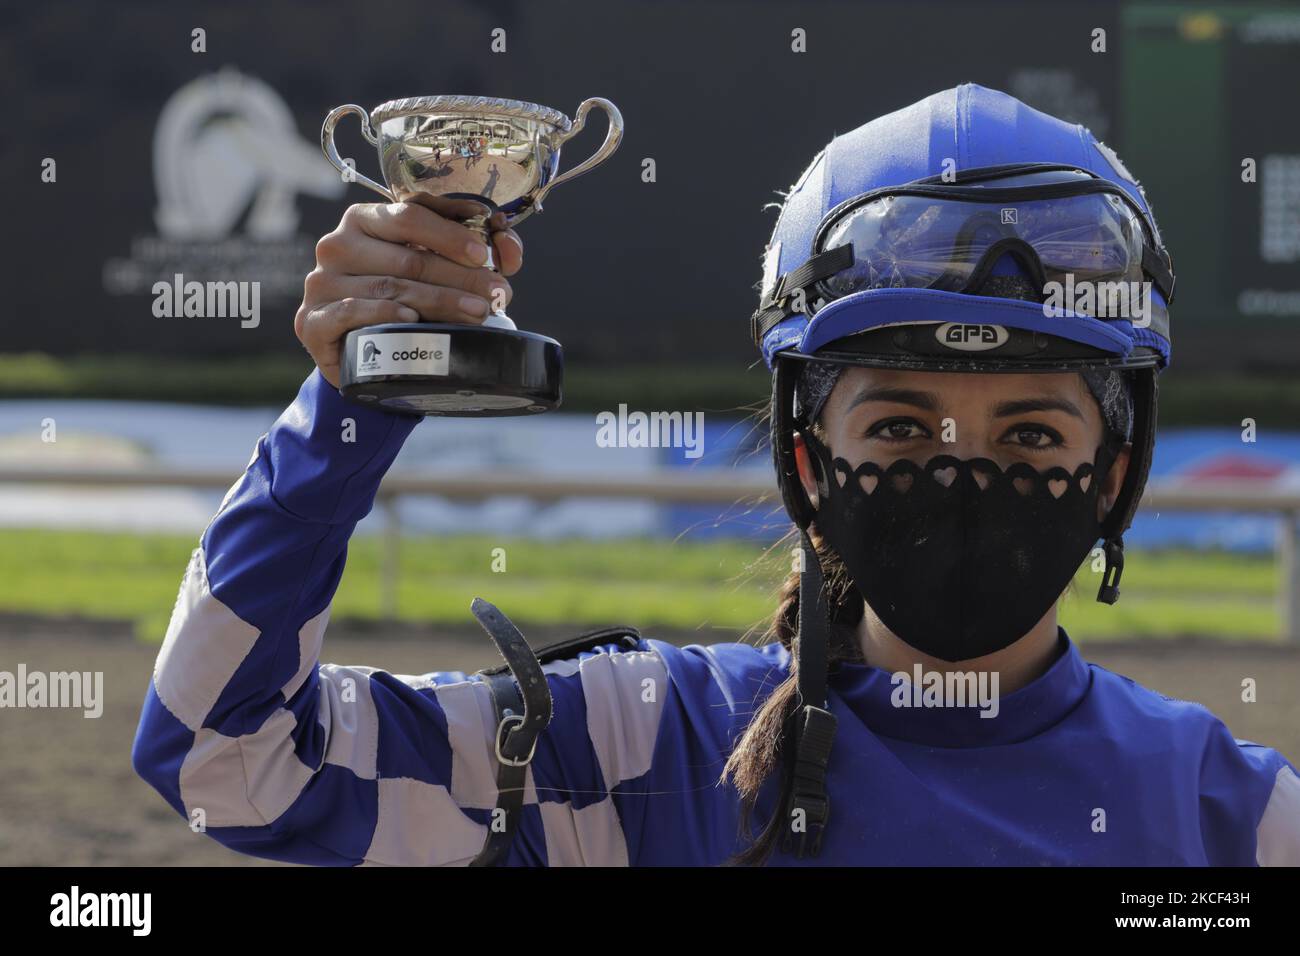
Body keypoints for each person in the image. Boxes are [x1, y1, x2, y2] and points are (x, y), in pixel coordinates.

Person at [132, 84, 1300, 866]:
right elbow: (225, 758)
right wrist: (349, 407)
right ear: (805, 453)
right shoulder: (633, 746)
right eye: (898, 426)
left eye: (1033, 437)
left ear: (1114, 470)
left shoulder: (1236, 819)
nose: (961, 471)